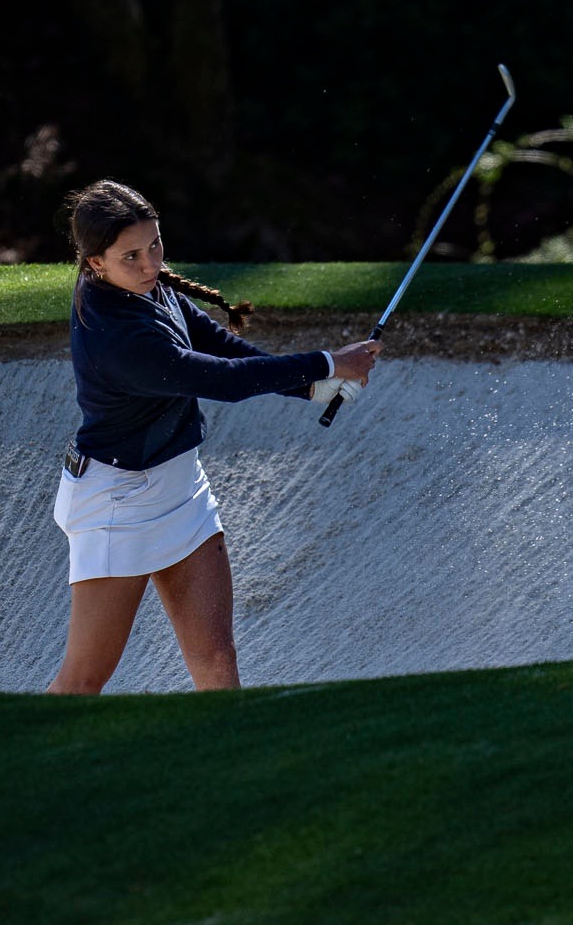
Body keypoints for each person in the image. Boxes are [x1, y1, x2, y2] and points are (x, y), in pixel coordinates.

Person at [47, 180, 380, 694]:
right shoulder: (116, 335)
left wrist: (312, 387)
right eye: (130, 255)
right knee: (87, 677)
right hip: (117, 502)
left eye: (155, 245)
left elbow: (223, 346)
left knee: (217, 659)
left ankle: (232, 769)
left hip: (182, 491)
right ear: (96, 263)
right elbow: (216, 379)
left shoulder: (152, 289)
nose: (150, 263)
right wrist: (330, 361)